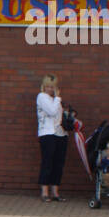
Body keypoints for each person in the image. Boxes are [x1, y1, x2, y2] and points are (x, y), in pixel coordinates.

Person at [36, 74, 68, 202]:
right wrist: (58, 98)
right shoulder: (42, 97)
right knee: (47, 162)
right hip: (47, 133)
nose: (50, 89)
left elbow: (59, 115)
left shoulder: (55, 100)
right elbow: (52, 112)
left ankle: (55, 191)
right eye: (48, 86)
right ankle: (45, 191)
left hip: (60, 133)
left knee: (58, 163)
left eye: (52, 87)